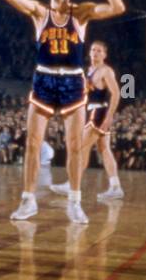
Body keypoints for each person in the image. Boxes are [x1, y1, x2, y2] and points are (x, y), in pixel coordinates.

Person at [1, 0, 124, 223]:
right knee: (32, 144)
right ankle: (28, 200)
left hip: (72, 82)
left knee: (75, 146)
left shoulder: (80, 13)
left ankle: (75, 202)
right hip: (44, 80)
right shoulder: (39, 12)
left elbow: (118, 6)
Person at [52, 41, 124, 200]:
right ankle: (115, 186)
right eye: (93, 50)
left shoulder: (106, 71)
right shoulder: (88, 71)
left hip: (99, 112)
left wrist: (109, 116)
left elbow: (116, 94)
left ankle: (71, 184)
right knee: (104, 149)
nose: (95, 53)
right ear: (89, 53)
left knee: (78, 147)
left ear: (104, 55)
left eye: (99, 51)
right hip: (91, 111)